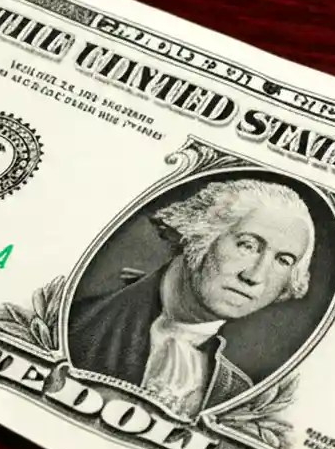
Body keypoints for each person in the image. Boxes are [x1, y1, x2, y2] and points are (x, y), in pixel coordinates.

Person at [68, 178, 316, 418]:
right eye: (247, 245)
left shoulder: (235, 392)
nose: (255, 276)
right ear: (198, 236)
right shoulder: (78, 323)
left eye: (283, 261)